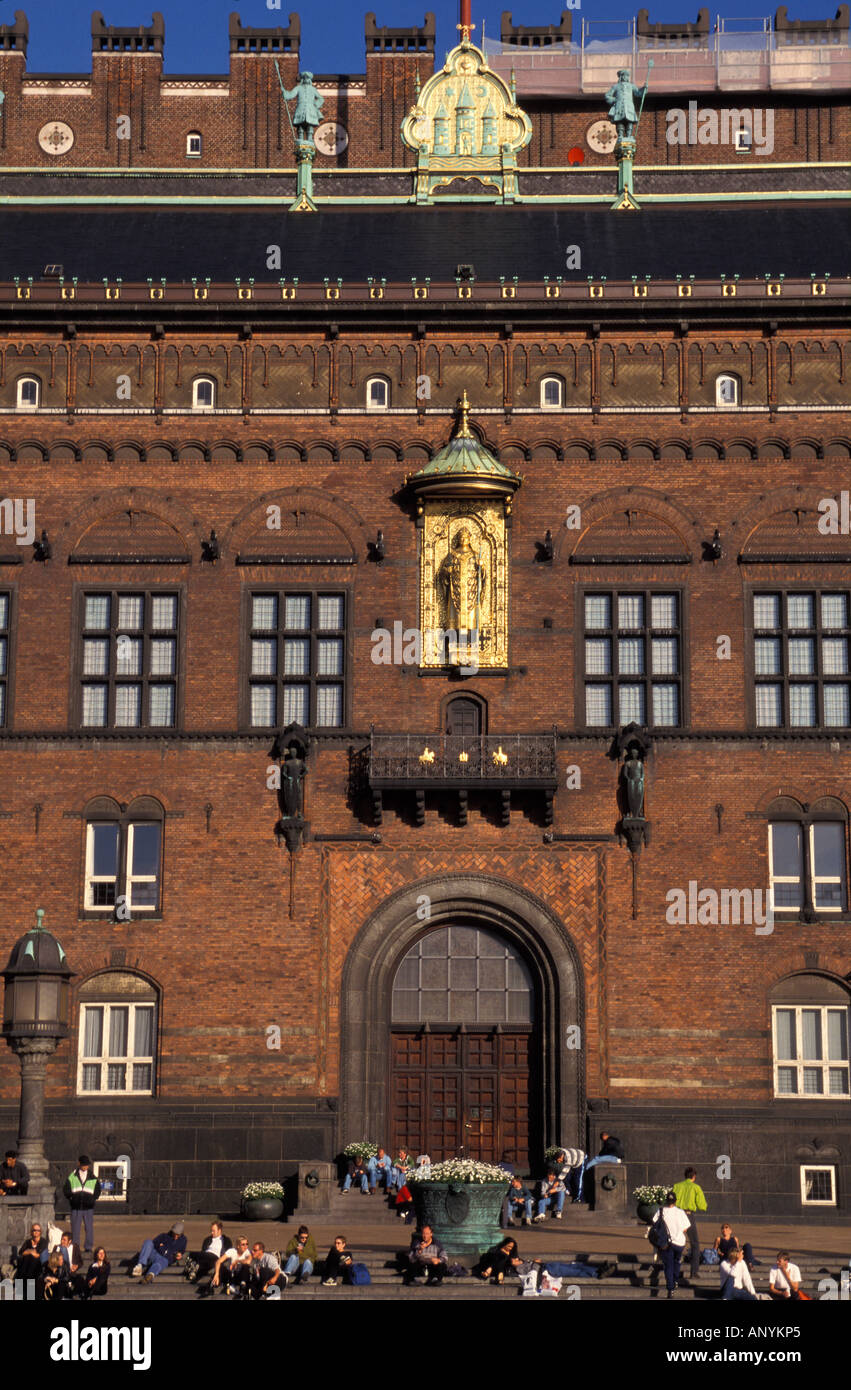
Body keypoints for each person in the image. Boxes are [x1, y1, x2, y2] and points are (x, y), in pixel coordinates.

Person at [673, 1167, 708, 1280]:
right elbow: (702, 1205)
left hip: (677, 1214)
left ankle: (673, 1269)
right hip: (688, 1215)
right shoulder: (696, 1187)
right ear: (694, 1177)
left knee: (674, 1242)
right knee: (695, 1243)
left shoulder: (677, 1186)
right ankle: (694, 1272)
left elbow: (670, 1200)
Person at [63, 1154, 101, 1253]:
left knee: (89, 1228)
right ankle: (75, 1247)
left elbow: (98, 1190)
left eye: (87, 1165)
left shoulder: (93, 1176)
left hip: (88, 1206)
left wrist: (93, 1199)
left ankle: (88, 1247)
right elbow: (66, 1189)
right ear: (79, 1164)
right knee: (75, 1228)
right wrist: (71, 1198)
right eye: (84, 1164)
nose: (85, 1167)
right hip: (76, 1206)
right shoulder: (72, 1175)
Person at [658, 1190, 691, 1299]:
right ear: (675, 1201)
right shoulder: (681, 1212)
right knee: (676, 1262)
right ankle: (675, 1279)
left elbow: (655, 1223)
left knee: (668, 1265)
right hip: (679, 1242)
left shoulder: (661, 1211)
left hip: (666, 1243)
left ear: (666, 1200)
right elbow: (686, 1227)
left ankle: (670, 1289)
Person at [186, 1219, 231, 1284]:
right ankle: (195, 1268)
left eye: (213, 1231)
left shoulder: (226, 1240)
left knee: (209, 1257)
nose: (211, 1233)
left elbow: (228, 1253)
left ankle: (195, 1269)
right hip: (206, 1257)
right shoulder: (208, 1239)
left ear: (219, 1230)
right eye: (211, 1231)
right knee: (193, 1254)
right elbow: (203, 1251)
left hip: (216, 1258)